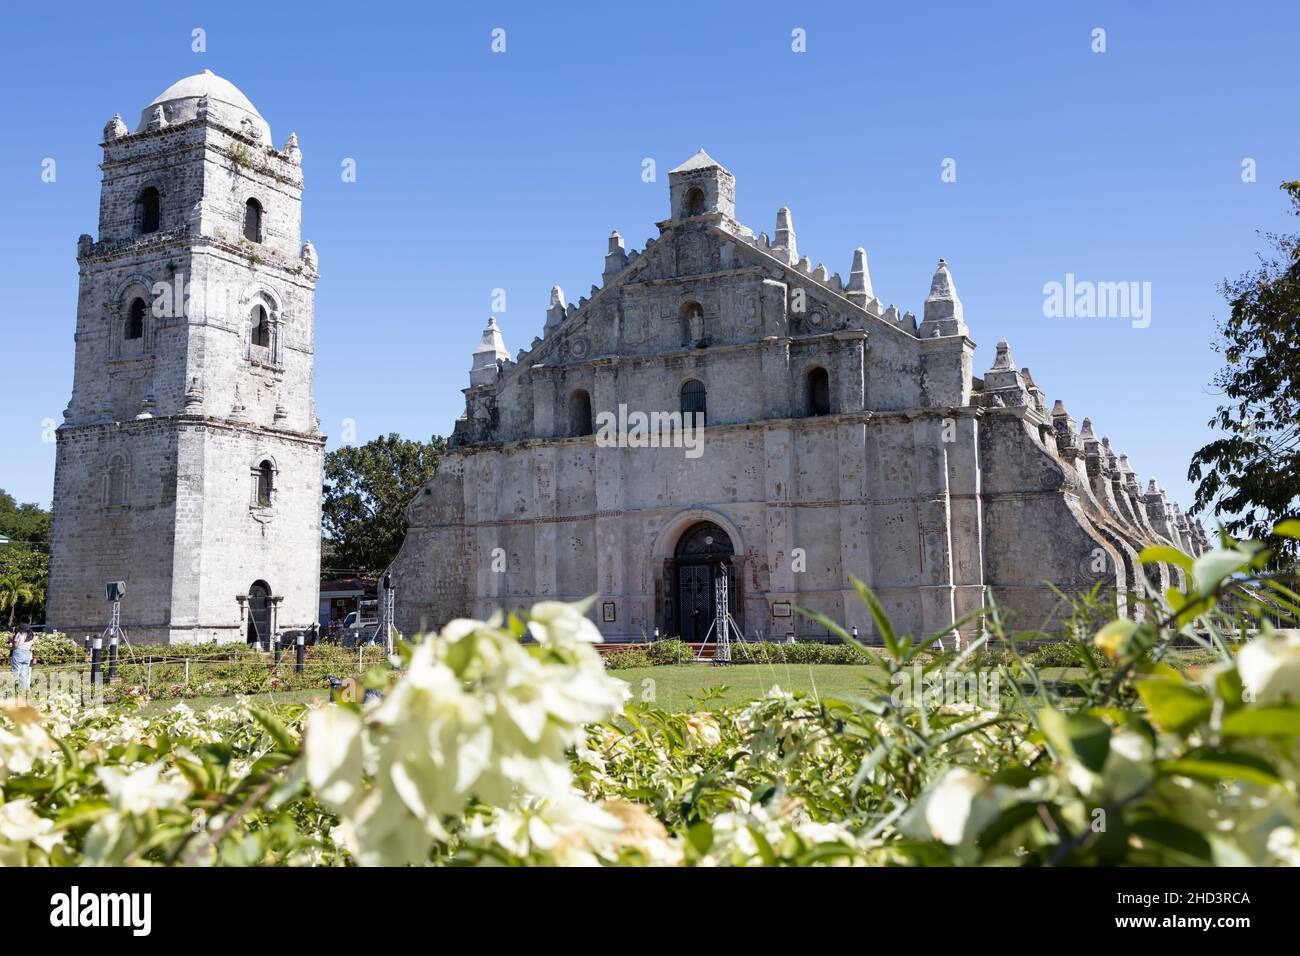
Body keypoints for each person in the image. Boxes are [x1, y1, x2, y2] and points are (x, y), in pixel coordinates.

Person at [10, 627, 35, 692]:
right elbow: (31, 646)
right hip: (27, 654)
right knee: (24, 673)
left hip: (18, 653)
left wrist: (11, 645)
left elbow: (16, 645)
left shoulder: (20, 633)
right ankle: (24, 690)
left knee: (16, 671)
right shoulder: (31, 635)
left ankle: (14, 688)